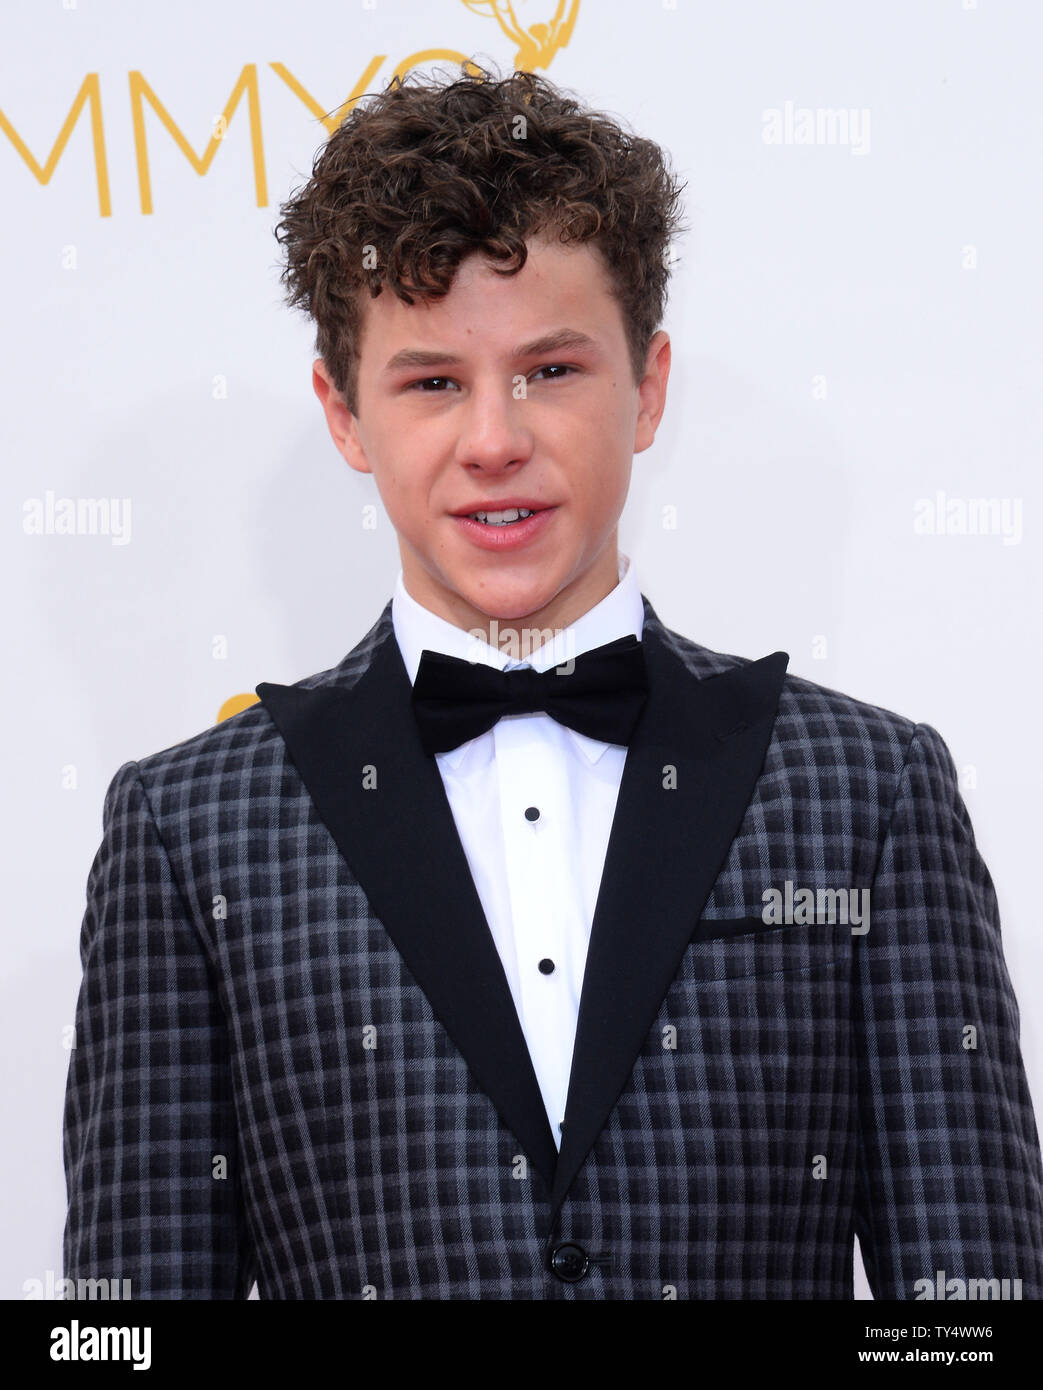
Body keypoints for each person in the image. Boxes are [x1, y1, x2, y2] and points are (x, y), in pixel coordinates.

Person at [62, 64, 1043, 1300]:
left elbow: (972, 1311)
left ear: (649, 385)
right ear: (343, 415)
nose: (492, 440)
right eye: (430, 382)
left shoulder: (866, 793)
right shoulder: (189, 832)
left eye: (552, 370)